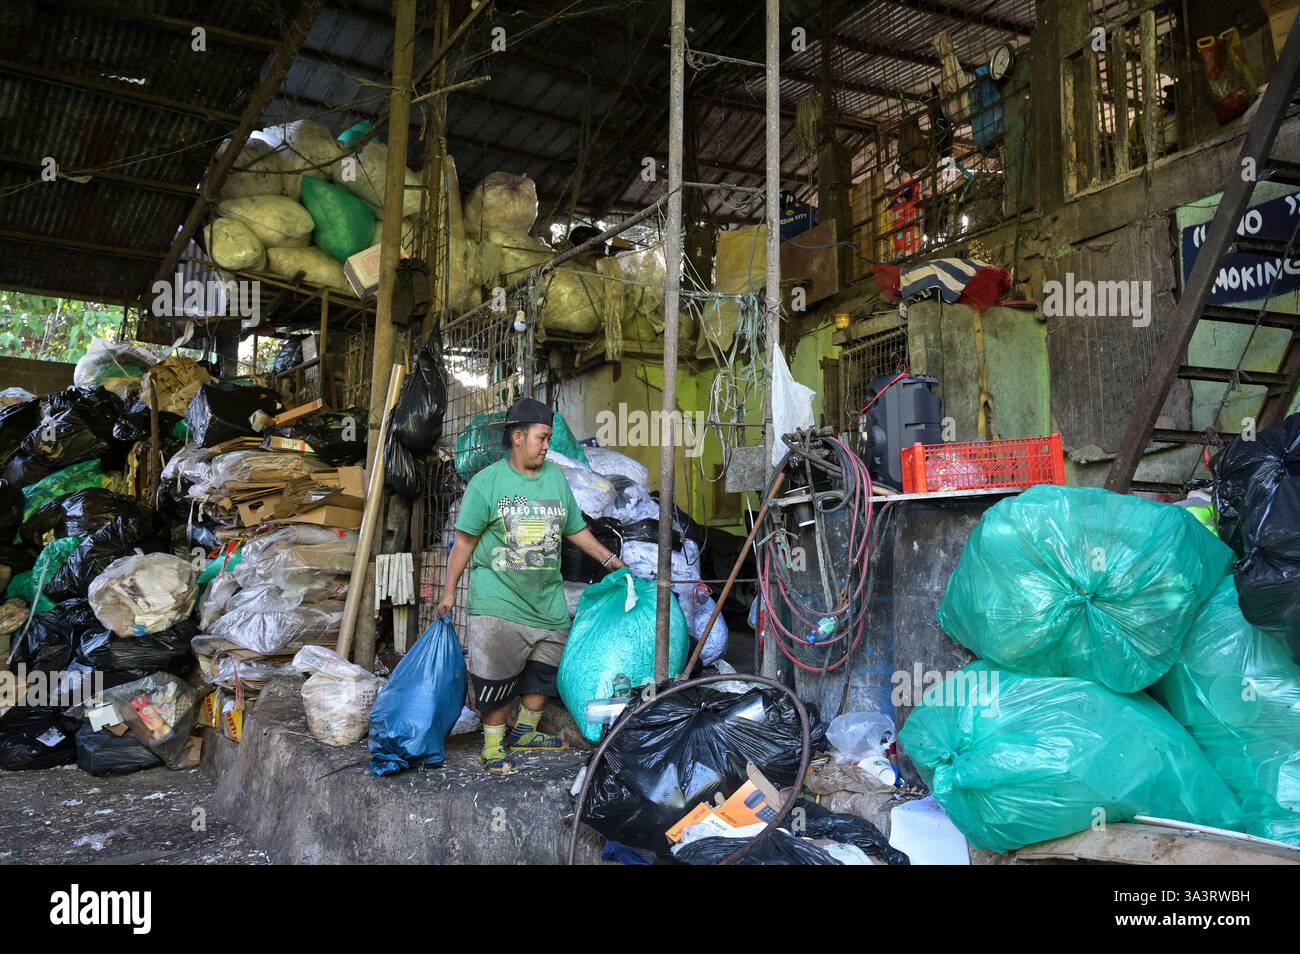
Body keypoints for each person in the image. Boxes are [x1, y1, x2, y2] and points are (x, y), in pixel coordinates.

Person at [437, 397, 625, 774]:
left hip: (547, 599)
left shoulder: (554, 478)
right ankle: (492, 746)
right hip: (498, 599)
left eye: (549, 438)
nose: (546, 446)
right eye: (541, 437)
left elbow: (575, 530)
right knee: (495, 677)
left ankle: (525, 731)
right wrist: (448, 590)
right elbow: (465, 542)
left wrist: (611, 562)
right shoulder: (487, 483)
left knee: (544, 669)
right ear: (518, 437)